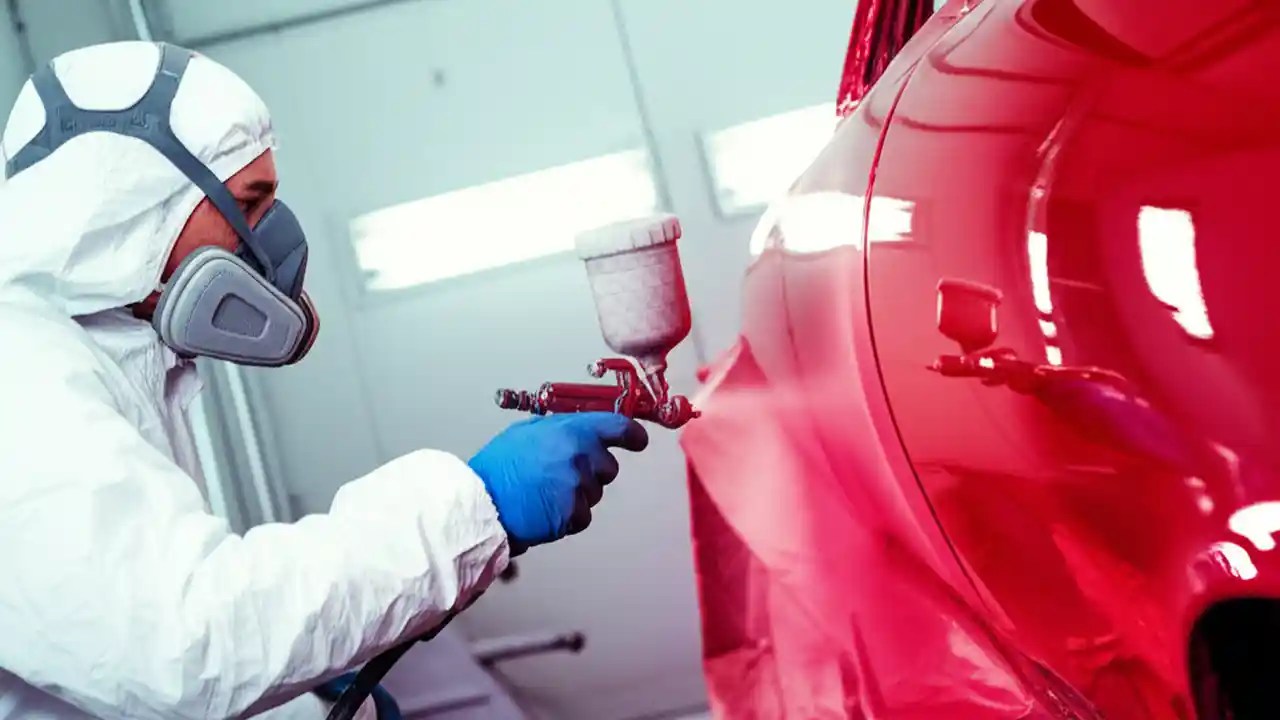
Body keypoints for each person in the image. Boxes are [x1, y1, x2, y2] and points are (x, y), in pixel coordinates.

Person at [0, 40, 648, 720]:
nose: (269, 245)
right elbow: (187, 649)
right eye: (251, 205)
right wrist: (476, 502)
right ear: (138, 203)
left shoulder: (106, 356)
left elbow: (111, 668)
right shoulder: (21, 376)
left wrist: (301, 703)